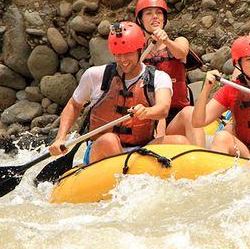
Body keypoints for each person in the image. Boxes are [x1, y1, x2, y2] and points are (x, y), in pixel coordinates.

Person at [48, 21, 189, 163]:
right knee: (110, 140)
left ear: (140, 50)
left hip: (141, 148)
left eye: (128, 54)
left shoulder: (158, 77)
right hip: (101, 149)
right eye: (118, 54)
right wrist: (60, 138)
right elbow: (74, 105)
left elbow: (163, 109)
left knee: (181, 142)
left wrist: (147, 112)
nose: (122, 60)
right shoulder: (96, 75)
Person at [134, 0, 205, 146]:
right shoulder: (136, 52)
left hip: (176, 116)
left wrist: (165, 40)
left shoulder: (178, 42)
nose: (155, 17)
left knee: (189, 112)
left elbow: (181, 52)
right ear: (140, 20)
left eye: (158, 13)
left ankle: (201, 157)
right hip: (148, 116)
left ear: (164, 18)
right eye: (149, 13)